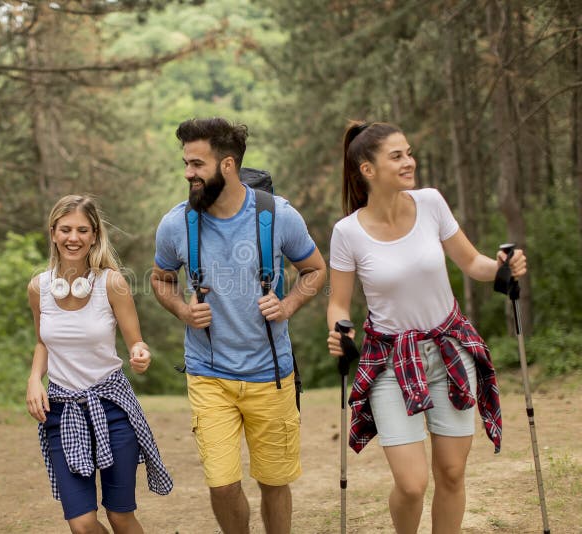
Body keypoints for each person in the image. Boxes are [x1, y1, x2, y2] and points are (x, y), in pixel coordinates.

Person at [326, 121, 528, 534]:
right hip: (390, 362)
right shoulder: (347, 233)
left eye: (409, 152)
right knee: (412, 483)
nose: (409, 162)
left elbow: (473, 263)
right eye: (396, 156)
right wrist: (341, 332)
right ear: (368, 169)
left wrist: (502, 269)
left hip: (451, 351)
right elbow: (338, 304)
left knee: (452, 473)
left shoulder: (431, 203)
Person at [151, 118, 327, 534]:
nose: (188, 173)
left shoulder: (277, 216)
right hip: (208, 374)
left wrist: (288, 304)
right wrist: (182, 311)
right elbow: (160, 279)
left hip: (272, 375)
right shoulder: (176, 224)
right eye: (186, 163)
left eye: (197, 164)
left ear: (227, 165)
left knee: (273, 482)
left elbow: (315, 270)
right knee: (222, 483)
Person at [26, 194, 172, 534]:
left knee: (119, 516)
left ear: (94, 235)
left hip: (112, 409)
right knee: (81, 523)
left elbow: (136, 342)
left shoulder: (112, 283)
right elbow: (41, 342)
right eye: (65, 229)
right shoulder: (39, 288)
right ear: (53, 233)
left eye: (81, 230)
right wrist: (35, 379)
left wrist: (140, 353)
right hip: (62, 412)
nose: (72, 237)